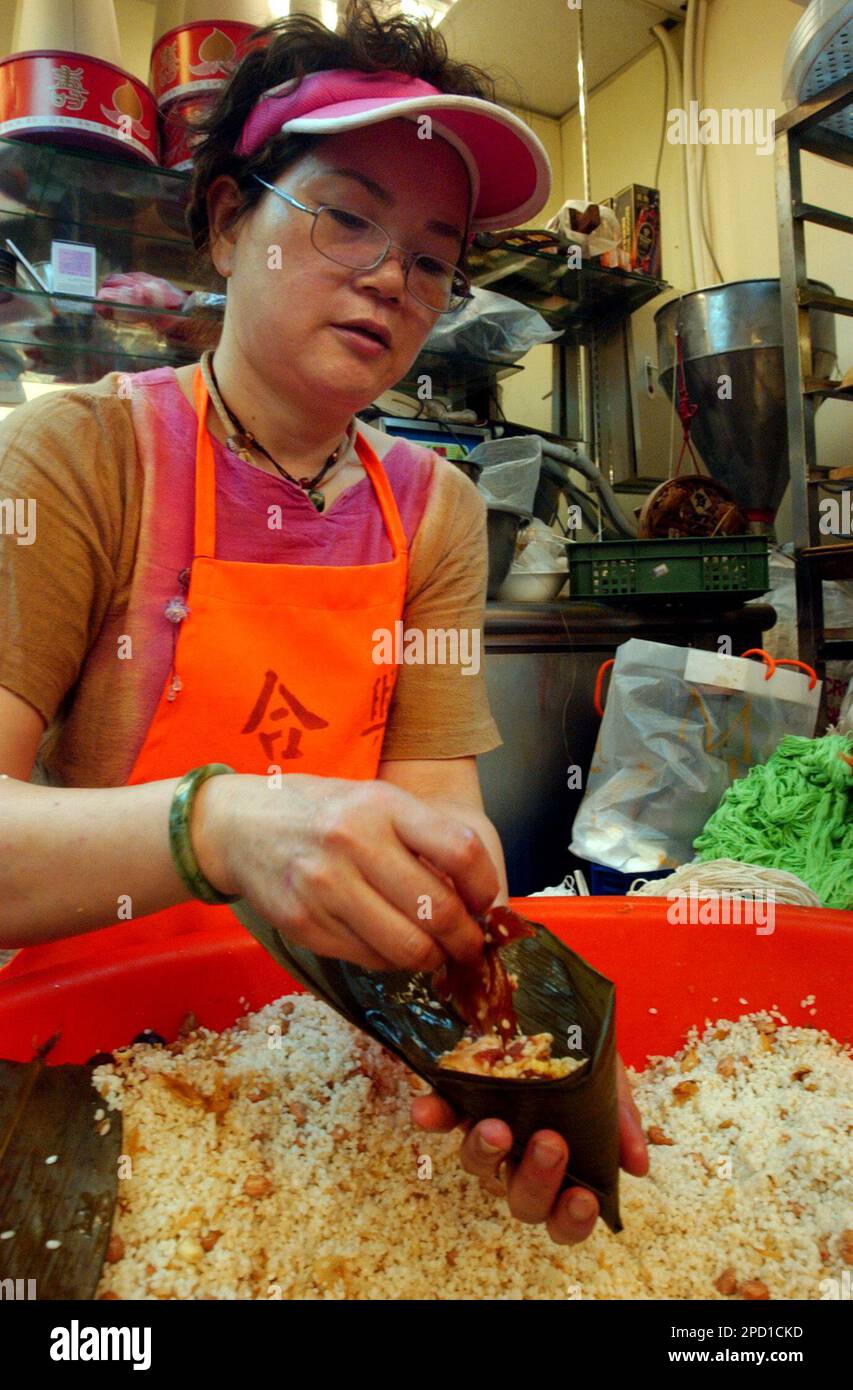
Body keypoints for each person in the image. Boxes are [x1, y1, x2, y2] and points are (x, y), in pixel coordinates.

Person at [0, 0, 646, 1245]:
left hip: (331, 1065)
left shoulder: (434, 512)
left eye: (432, 253)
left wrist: (496, 1032)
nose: (392, 279)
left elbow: (441, 818)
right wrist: (221, 823)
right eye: (345, 217)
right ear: (230, 220)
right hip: (86, 1069)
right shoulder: (84, 456)